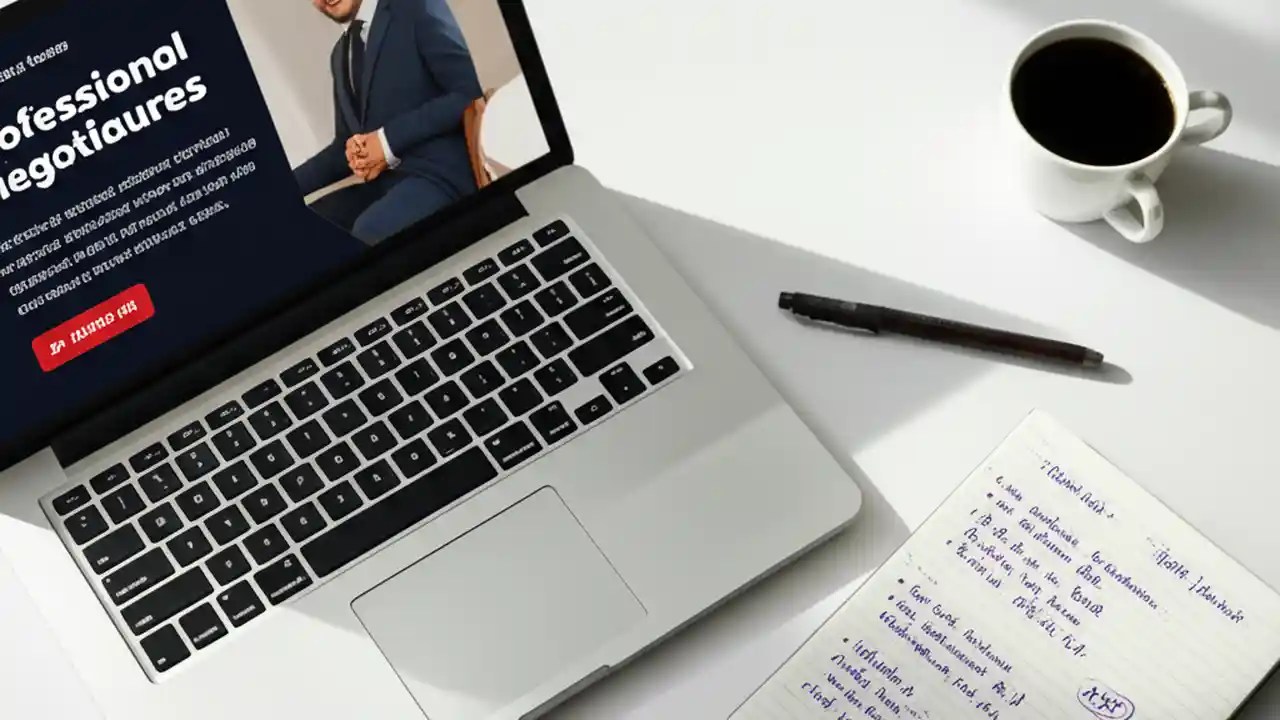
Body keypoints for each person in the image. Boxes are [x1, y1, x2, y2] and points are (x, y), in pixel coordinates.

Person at [296, 0, 481, 245]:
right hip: (385, 184)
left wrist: (386, 141)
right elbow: (344, 144)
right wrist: (280, 189)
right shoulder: (340, 54)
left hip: (440, 176)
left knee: (371, 229)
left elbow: (467, 93)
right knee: (306, 228)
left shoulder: (416, 7)